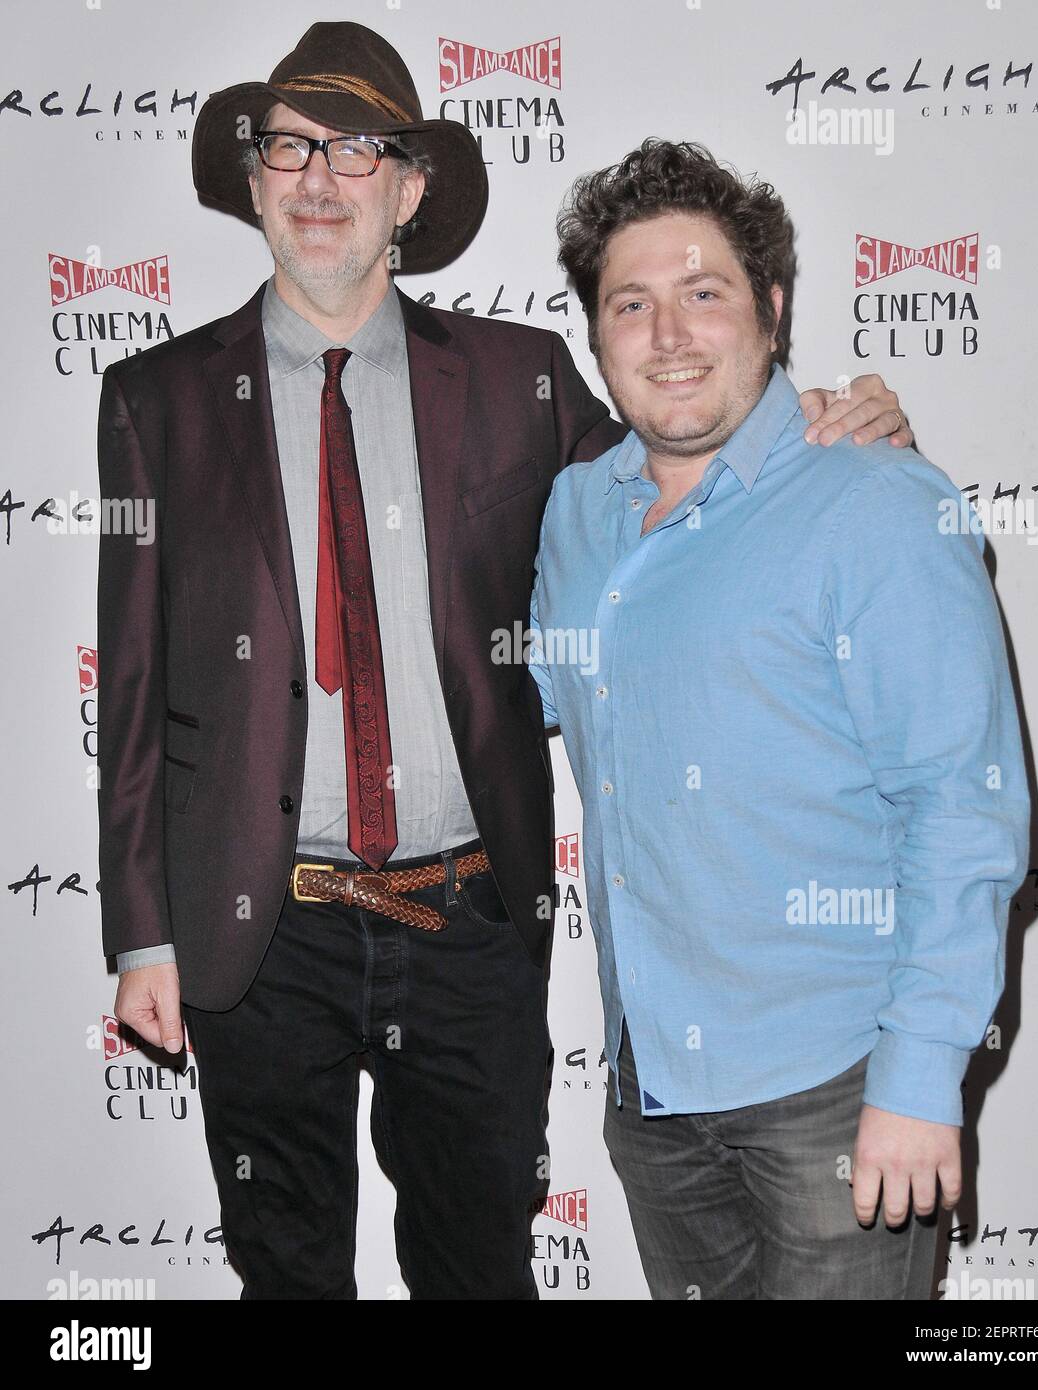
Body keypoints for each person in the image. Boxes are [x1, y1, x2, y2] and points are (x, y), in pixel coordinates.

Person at [97, 23, 913, 1300]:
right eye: (288, 147)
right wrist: (142, 932)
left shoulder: (519, 377)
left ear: (410, 191)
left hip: (467, 916)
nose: (320, 178)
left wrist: (818, 430)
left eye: (357, 150)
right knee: (284, 1270)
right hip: (257, 926)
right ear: (251, 179)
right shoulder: (153, 398)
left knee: (480, 1269)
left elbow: (682, 467)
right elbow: (136, 682)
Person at [529, 138, 1030, 1300]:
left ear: (769, 305)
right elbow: (540, 702)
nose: (667, 336)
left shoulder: (879, 501)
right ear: (595, 335)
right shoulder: (576, 511)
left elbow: (961, 806)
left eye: (702, 294)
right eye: (629, 304)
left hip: (837, 1095)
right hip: (652, 1099)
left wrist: (916, 1081)